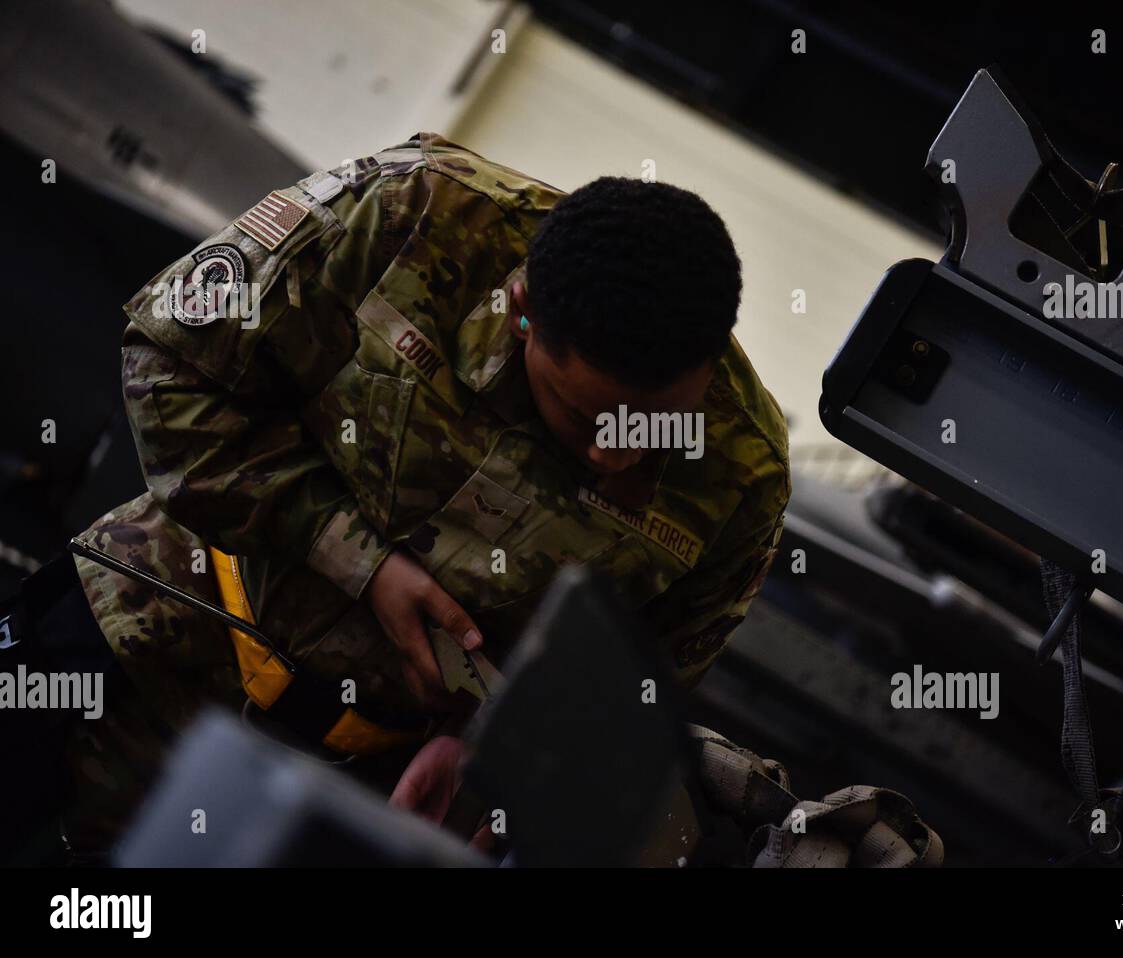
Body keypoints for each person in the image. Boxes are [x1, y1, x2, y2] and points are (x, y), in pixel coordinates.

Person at [32, 133, 789, 856]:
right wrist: (356, 558)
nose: (611, 452)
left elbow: (625, 692)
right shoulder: (410, 215)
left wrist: (484, 751)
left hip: (342, 783)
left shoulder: (742, 479)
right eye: (585, 417)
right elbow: (170, 374)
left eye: (651, 426)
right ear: (523, 313)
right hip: (138, 625)